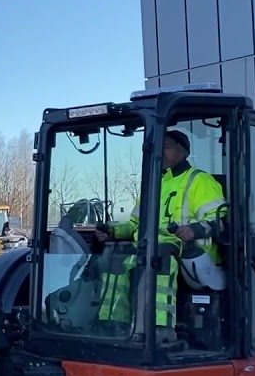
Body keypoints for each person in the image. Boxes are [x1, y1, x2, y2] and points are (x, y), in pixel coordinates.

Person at [94, 128, 229, 335]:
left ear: (182, 152)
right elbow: (134, 225)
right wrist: (112, 231)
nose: (161, 152)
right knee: (116, 256)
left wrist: (193, 230)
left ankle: (158, 329)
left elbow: (219, 220)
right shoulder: (155, 183)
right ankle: (113, 324)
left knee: (158, 255)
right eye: (159, 147)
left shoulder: (199, 180)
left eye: (166, 147)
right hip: (152, 244)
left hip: (191, 252)